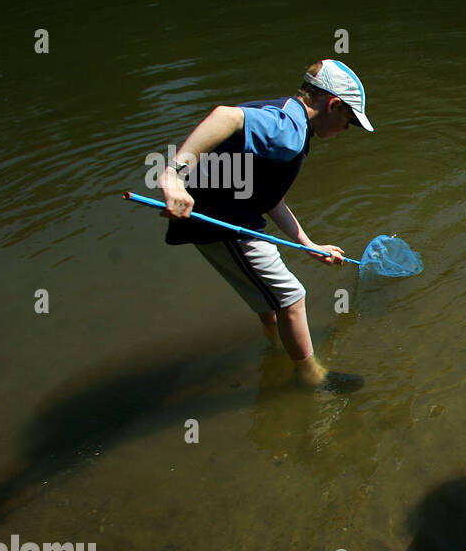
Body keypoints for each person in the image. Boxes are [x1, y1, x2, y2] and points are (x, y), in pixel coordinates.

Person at [156, 59, 371, 390]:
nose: (346, 130)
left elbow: (270, 200)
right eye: (350, 121)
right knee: (292, 297)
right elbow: (224, 116)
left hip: (236, 219)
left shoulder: (289, 120)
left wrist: (308, 244)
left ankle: (278, 351)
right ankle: (310, 377)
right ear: (334, 104)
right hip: (224, 225)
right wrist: (173, 175)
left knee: (271, 302)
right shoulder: (287, 130)